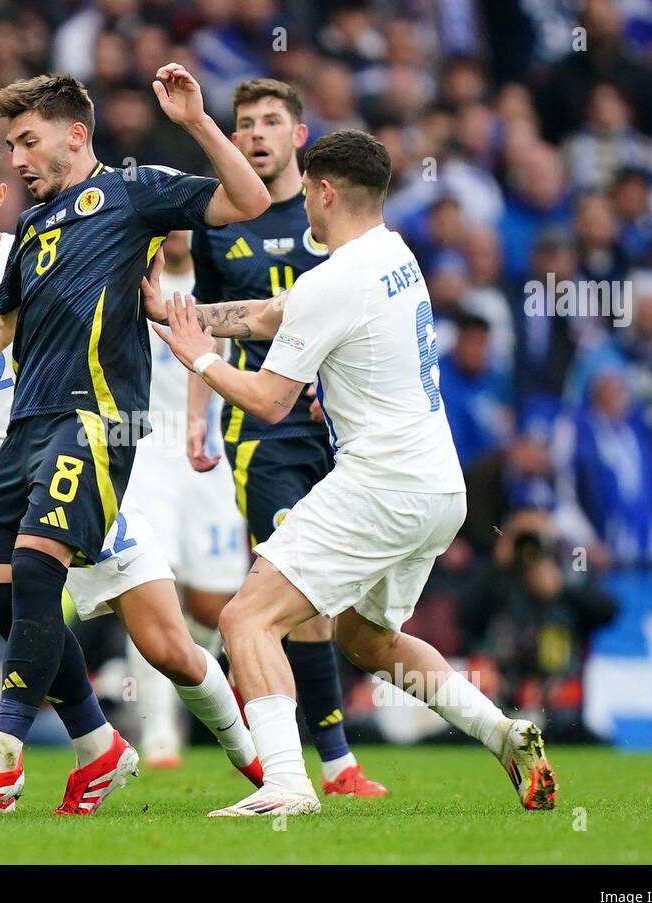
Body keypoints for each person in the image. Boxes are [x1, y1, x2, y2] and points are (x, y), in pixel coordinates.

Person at [151, 129, 557, 816]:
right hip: (438, 487)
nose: (301, 199)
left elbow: (269, 402)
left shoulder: (333, 279)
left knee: (246, 619)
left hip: (381, 483)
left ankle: (285, 782)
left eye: (306, 187)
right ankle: (503, 731)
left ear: (324, 190)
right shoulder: (395, 255)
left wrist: (198, 359)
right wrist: (169, 312)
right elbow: (266, 313)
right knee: (367, 636)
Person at [0, 119, 263, 816]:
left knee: (171, 647)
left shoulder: (47, 240)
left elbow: (221, 207)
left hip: (87, 456)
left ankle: (254, 760)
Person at [187, 78, 386, 797]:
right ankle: (332, 763)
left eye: (272, 121)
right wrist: (194, 412)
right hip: (258, 427)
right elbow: (203, 318)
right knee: (299, 592)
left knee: (329, 602)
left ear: (300, 136)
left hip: (337, 428)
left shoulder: (331, 219)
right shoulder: (217, 221)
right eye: (245, 124)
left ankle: (247, 683)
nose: (257, 133)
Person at [122, 229, 250, 769]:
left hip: (208, 454)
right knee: (155, 583)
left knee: (213, 606)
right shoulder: (132, 280)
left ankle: (190, 687)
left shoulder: (218, 279)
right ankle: (156, 730)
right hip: (148, 449)